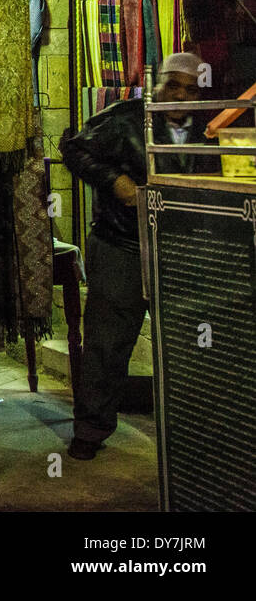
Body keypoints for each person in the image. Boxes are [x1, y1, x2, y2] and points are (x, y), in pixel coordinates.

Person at [59, 51, 218, 460]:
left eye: (189, 88)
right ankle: (90, 431)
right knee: (107, 343)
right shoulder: (127, 117)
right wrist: (115, 181)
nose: (179, 96)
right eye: (172, 85)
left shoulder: (210, 127)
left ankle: (190, 433)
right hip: (121, 244)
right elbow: (74, 149)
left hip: (180, 249)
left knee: (190, 343)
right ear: (157, 82)